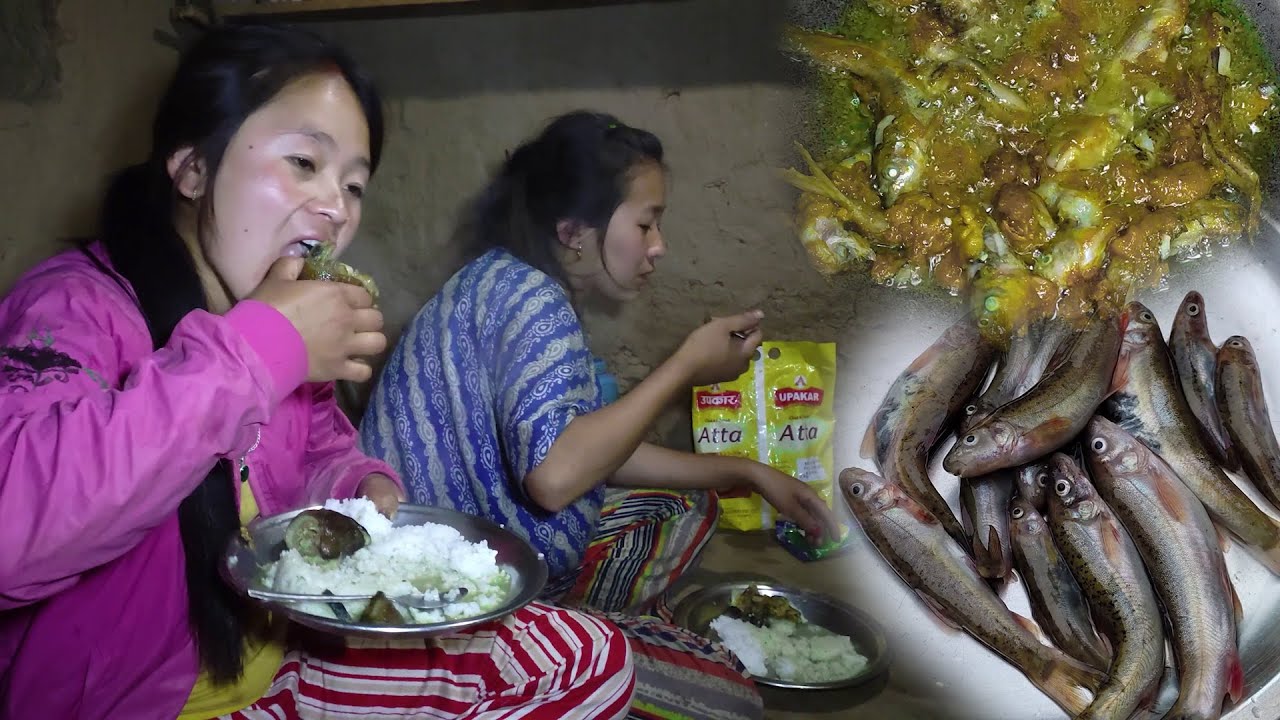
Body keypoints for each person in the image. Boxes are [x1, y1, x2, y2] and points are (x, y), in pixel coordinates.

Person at [0, 25, 634, 720]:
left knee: (590, 660)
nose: (337, 208)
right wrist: (259, 350)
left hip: (274, 659)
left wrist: (361, 489)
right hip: (146, 702)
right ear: (192, 169)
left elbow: (319, 442)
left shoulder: (271, 316)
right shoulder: (71, 310)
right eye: (304, 162)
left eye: (354, 184)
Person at [359, 111, 840, 720]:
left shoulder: (503, 281)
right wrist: (685, 366)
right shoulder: (533, 301)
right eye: (646, 223)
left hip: (453, 569)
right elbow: (556, 476)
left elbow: (587, 450)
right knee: (724, 694)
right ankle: (545, 656)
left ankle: (580, 633)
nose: (659, 246)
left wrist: (747, 470)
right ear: (574, 231)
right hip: (443, 613)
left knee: (684, 503)